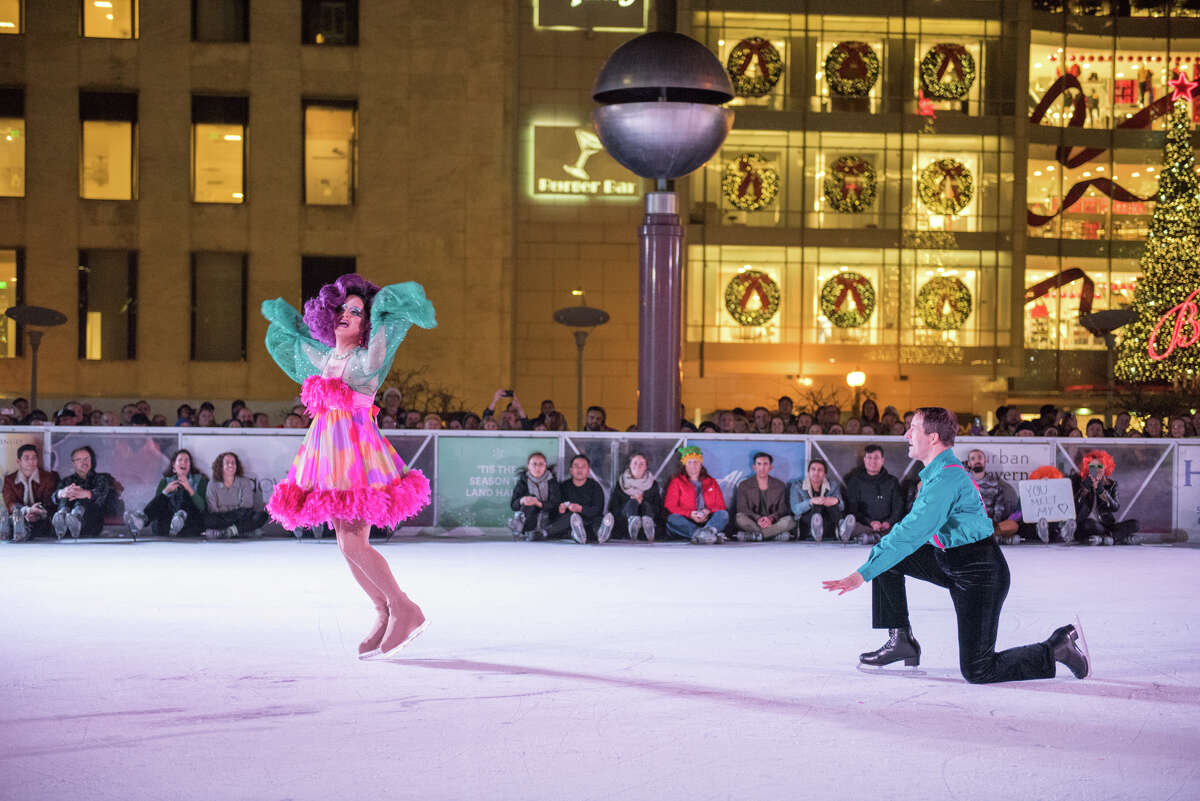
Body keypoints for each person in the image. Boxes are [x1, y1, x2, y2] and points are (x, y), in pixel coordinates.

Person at [821, 407, 1090, 684]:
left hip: (980, 574)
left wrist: (860, 575)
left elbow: (911, 532)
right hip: (949, 559)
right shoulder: (937, 473)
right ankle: (901, 640)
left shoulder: (946, 479)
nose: (906, 435)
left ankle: (1056, 648)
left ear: (933, 437)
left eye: (913, 428)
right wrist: (873, 566)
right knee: (888, 560)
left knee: (979, 669)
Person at [261, 273, 436, 660]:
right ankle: (384, 611)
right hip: (328, 454)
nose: (345, 314)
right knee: (346, 545)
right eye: (341, 308)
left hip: (356, 455)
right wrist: (292, 326)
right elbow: (301, 344)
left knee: (354, 542)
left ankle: (404, 607)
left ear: (366, 325)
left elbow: (380, 346)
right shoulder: (328, 357)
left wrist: (383, 312)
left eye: (356, 312)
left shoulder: (365, 358)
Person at [125, 449, 209, 538]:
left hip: (190, 523)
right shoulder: (165, 481)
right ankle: (142, 520)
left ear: (190, 466)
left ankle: (180, 518)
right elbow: (157, 505)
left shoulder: (200, 481)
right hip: (168, 524)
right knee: (163, 497)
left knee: (183, 492)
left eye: (186, 460)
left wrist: (189, 488)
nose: (183, 462)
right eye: (180, 460)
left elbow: (202, 507)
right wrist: (166, 491)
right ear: (174, 466)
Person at [1065, 449, 1139, 546]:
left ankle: (1105, 538)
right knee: (1088, 524)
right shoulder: (1082, 483)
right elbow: (1074, 506)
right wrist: (1085, 490)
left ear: (1106, 467)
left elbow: (1115, 507)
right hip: (1089, 524)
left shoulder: (1111, 484)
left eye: (1099, 466)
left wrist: (1103, 493)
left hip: (1106, 525)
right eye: (1092, 467)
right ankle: (1115, 538)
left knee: (1135, 524)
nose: (1096, 470)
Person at [839, 445, 903, 545]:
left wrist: (889, 522)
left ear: (882, 460)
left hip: (887, 526)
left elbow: (898, 507)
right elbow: (852, 509)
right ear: (864, 460)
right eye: (869, 457)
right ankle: (876, 537)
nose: (873, 461)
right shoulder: (855, 481)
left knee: (901, 527)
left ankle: (870, 537)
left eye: (876, 458)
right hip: (865, 525)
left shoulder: (892, 481)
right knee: (850, 524)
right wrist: (870, 522)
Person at [664, 446, 728, 544]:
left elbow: (721, 505)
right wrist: (689, 514)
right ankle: (705, 535)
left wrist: (708, 511)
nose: (693, 465)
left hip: (708, 521)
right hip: (687, 520)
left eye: (696, 462)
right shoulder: (677, 482)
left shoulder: (711, 482)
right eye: (689, 462)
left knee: (723, 514)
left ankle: (705, 533)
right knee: (672, 519)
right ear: (684, 464)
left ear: (700, 464)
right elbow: (670, 505)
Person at [51, 446, 117, 540]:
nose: (84, 462)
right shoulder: (67, 481)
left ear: (91, 460)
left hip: (91, 525)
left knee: (83, 497)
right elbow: (54, 497)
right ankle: (62, 516)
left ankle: (76, 516)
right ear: (73, 463)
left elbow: (101, 494)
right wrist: (61, 493)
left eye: (86, 459)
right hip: (66, 531)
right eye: (79, 460)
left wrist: (85, 493)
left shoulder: (102, 478)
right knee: (65, 494)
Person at [545, 454, 611, 544]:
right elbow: (555, 511)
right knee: (571, 518)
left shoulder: (595, 487)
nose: (580, 469)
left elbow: (598, 510)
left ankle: (601, 534)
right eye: (576, 466)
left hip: (590, 521)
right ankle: (572, 533)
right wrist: (561, 510)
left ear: (588, 470)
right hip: (571, 522)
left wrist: (581, 509)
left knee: (598, 522)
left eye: (583, 466)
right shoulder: (563, 486)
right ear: (571, 470)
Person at [203, 452, 269, 539]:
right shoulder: (212, 484)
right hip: (223, 519)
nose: (231, 465)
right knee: (207, 519)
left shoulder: (244, 482)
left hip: (240, 517)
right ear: (221, 466)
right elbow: (213, 508)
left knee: (261, 516)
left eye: (233, 462)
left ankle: (229, 531)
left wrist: (224, 509)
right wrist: (235, 512)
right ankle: (241, 531)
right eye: (227, 462)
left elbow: (247, 506)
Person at [2, 444, 58, 542]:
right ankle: (13, 529)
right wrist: (27, 510)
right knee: (13, 518)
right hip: (20, 514)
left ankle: (22, 531)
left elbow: (49, 500)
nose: (31, 461)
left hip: (41, 516)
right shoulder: (10, 480)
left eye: (34, 458)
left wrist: (37, 512)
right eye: (26, 458)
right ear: (19, 461)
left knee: (43, 521)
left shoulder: (49, 477)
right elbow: (10, 503)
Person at [733, 452, 794, 542]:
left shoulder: (779, 485)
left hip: (772, 523)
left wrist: (770, 519)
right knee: (739, 518)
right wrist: (757, 519)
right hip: (753, 522)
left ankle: (757, 536)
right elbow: (742, 508)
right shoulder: (744, 485)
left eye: (765, 464)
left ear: (770, 467)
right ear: (754, 467)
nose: (762, 468)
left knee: (790, 520)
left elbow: (783, 509)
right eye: (759, 464)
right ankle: (772, 535)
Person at [609, 452, 662, 542]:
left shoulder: (653, 484)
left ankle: (648, 525)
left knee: (645, 505)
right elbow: (613, 508)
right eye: (635, 463)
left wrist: (642, 501)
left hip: (647, 532)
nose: (638, 466)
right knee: (632, 502)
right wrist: (631, 502)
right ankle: (632, 523)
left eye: (642, 464)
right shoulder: (621, 483)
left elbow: (658, 508)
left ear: (646, 467)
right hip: (624, 528)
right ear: (630, 465)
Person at [508, 451, 560, 541]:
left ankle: (527, 529)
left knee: (533, 500)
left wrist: (538, 503)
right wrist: (522, 500)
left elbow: (555, 505)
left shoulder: (552, 481)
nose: (537, 467)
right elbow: (513, 505)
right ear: (528, 466)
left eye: (541, 464)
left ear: (545, 466)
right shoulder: (523, 481)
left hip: (548, 518)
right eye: (534, 464)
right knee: (529, 500)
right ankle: (522, 527)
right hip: (529, 517)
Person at [790, 458, 843, 542]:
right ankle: (816, 531)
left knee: (832, 503)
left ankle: (842, 530)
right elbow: (795, 509)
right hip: (807, 525)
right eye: (813, 469)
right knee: (817, 505)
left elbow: (842, 506)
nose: (816, 473)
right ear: (808, 472)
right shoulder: (797, 485)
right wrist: (811, 502)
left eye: (820, 470)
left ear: (825, 473)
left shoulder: (833, 485)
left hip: (828, 523)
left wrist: (836, 501)